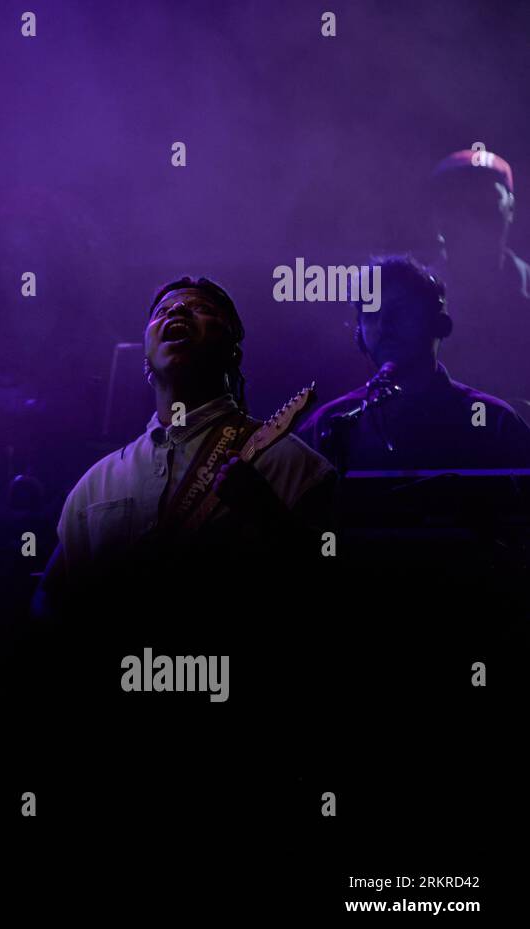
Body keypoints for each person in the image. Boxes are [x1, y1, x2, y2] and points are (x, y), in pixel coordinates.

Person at [36, 276, 336, 617]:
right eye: (163, 310)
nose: (178, 309)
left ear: (233, 350)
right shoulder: (95, 482)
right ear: (146, 355)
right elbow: (49, 599)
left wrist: (269, 517)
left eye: (201, 308)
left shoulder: (293, 464)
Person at [299, 255, 530, 471]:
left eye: (399, 311)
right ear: (360, 334)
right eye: (370, 314)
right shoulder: (328, 425)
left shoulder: (496, 422)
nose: (383, 326)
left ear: (438, 324)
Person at [424, 148, 530, 411]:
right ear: (438, 216)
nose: (471, 214)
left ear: (511, 207)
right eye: (456, 202)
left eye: (485, 200)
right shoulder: (415, 299)